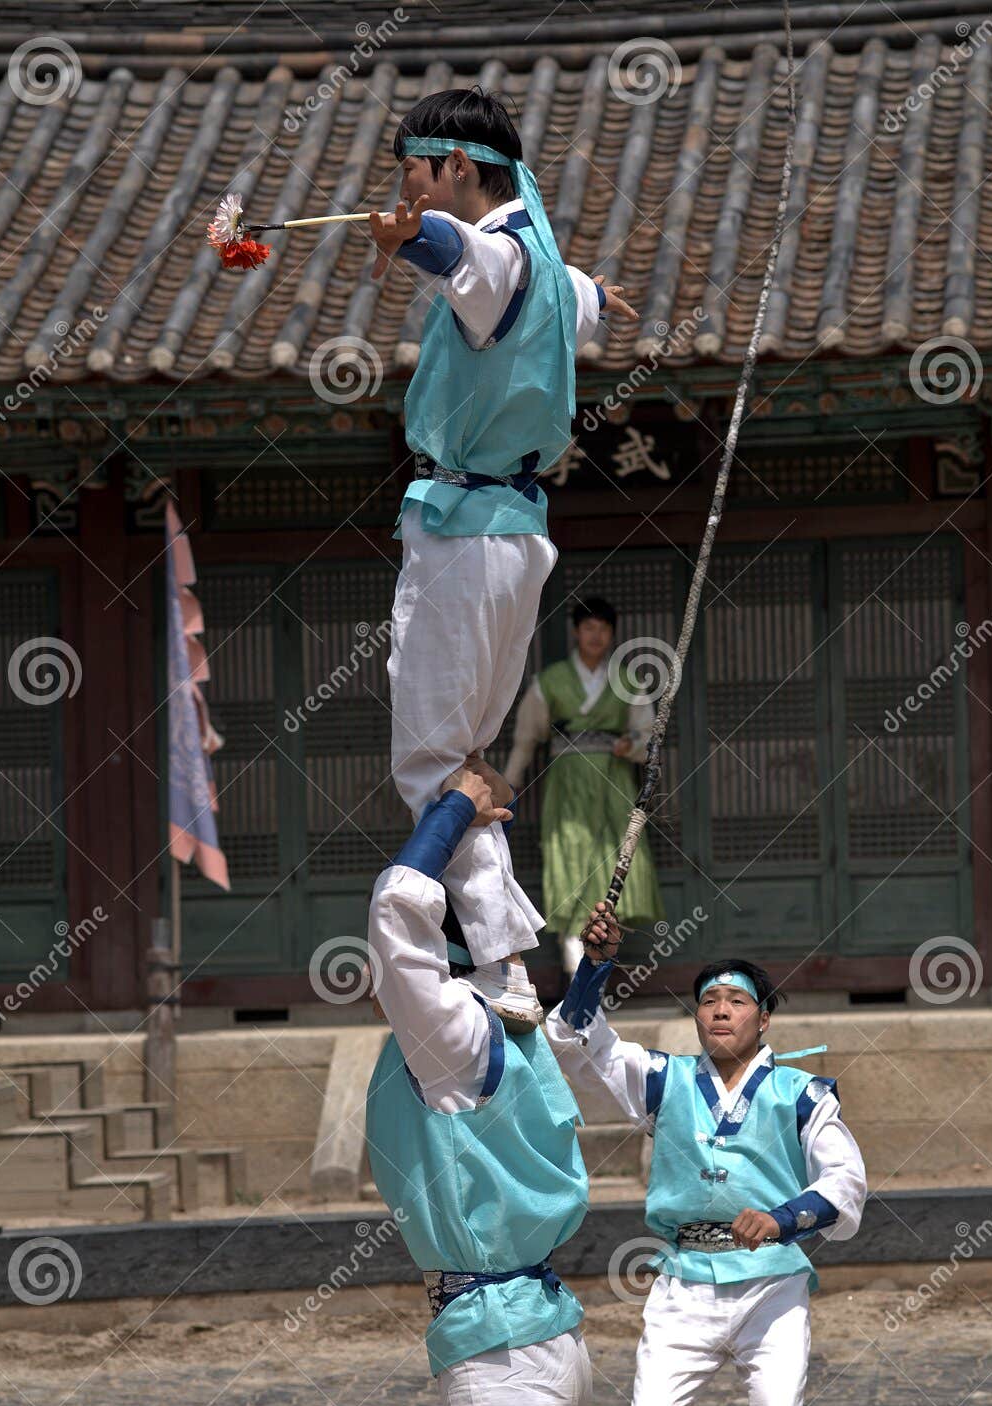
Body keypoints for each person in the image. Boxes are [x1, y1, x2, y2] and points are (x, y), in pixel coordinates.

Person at [368, 87, 638, 1028]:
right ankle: (496, 951)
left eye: (414, 169)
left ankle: (499, 959)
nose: (405, 185)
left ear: (458, 167)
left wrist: (413, 238)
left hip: (464, 532)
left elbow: (464, 254)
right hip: (514, 534)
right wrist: (597, 294)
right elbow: (576, 298)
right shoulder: (549, 268)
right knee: (467, 757)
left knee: (429, 762)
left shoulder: (496, 253)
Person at [546, 904, 867, 1406]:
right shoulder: (662, 1079)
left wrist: (782, 1219)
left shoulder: (801, 1094)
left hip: (772, 1284)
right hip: (685, 1278)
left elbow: (845, 1182)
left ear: (764, 1019)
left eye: (737, 1001)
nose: (721, 1011)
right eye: (709, 1001)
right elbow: (573, 1041)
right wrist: (596, 966)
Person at [364, 756, 593, 1406]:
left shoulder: (456, 1039)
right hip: (549, 1332)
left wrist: (456, 804)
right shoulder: (512, 1012)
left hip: (501, 1351)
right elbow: (494, 951)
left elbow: (395, 915)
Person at [503, 595, 665, 978]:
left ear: (612, 634)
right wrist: (507, 787)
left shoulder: (627, 680)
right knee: (569, 857)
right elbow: (526, 739)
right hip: (568, 786)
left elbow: (647, 734)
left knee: (613, 860)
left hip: (613, 781)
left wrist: (631, 745)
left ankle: (599, 963)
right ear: (576, 631)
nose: (596, 635)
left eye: (603, 629)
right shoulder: (550, 681)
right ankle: (575, 965)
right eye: (589, 627)